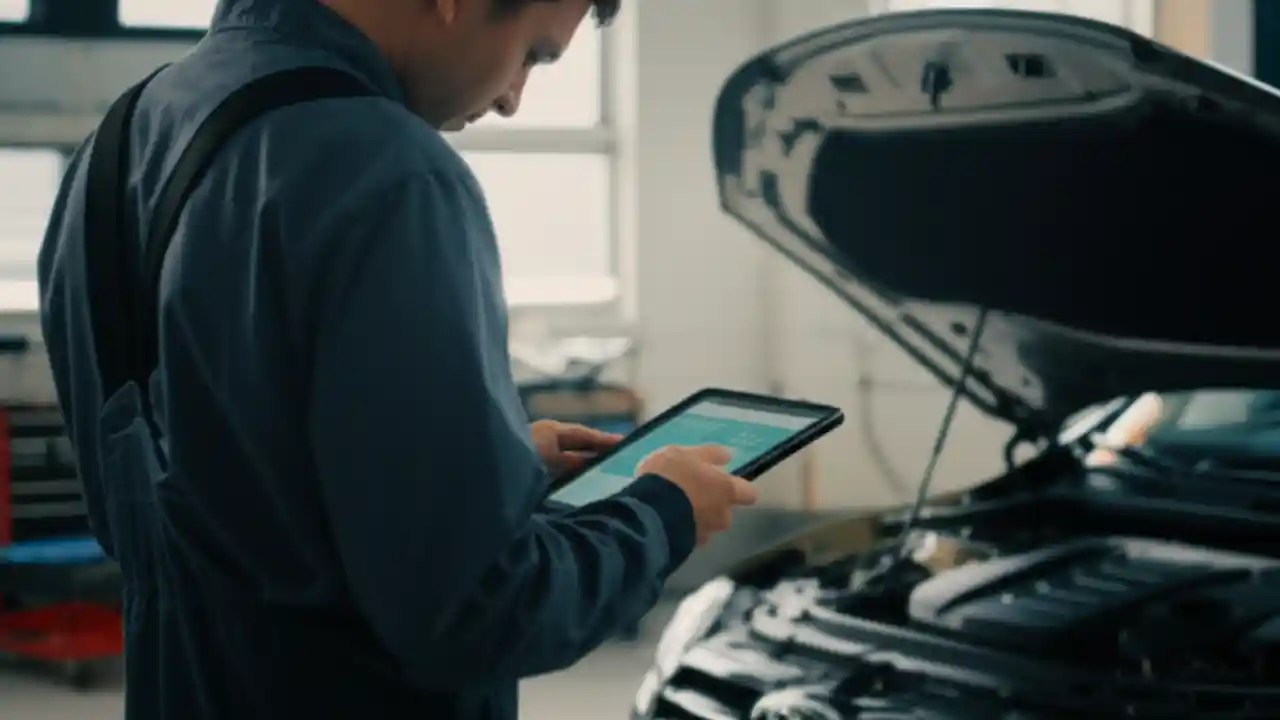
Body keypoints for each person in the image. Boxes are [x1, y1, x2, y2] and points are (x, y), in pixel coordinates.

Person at [36, 0, 759, 718]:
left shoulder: (119, 143)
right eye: (533, 55)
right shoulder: (390, 172)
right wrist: (662, 513)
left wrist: (487, 472)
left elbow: (207, 494)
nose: (512, 100)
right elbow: (478, 611)